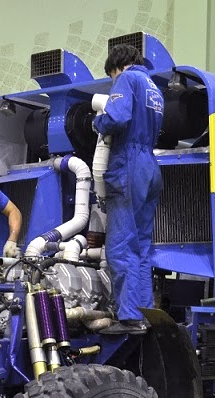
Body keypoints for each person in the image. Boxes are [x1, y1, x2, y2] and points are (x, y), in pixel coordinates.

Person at [93, 44, 164, 335]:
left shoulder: (127, 79)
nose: (113, 80)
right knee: (141, 247)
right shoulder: (155, 89)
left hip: (129, 163)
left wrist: (97, 121)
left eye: (111, 75)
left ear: (117, 67)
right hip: (150, 165)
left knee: (121, 245)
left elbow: (117, 118)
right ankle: (143, 312)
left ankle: (129, 317)